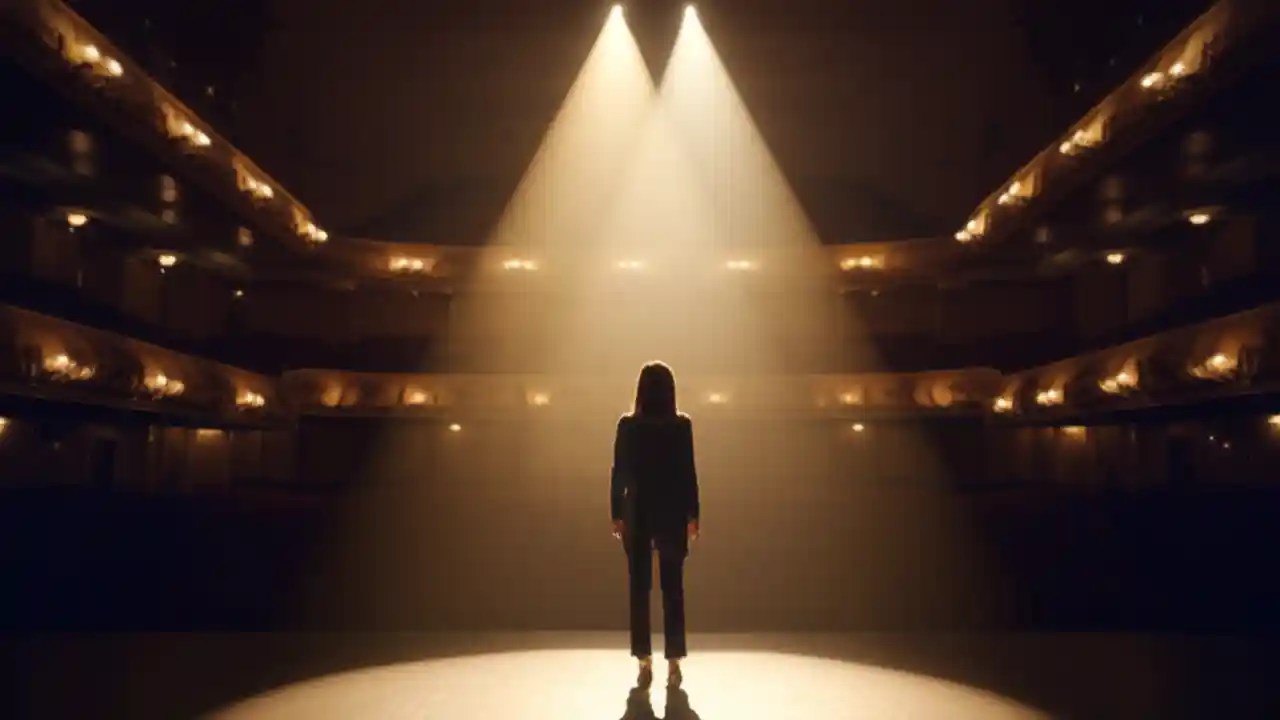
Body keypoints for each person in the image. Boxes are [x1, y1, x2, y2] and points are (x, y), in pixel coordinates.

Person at [610, 361, 701, 689]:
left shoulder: (628, 426)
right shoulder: (681, 426)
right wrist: (694, 514)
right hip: (672, 512)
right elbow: (688, 472)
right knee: (673, 589)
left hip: (638, 511)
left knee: (639, 589)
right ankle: (674, 662)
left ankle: (644, 661)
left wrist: (616, 512)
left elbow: (618, 471)